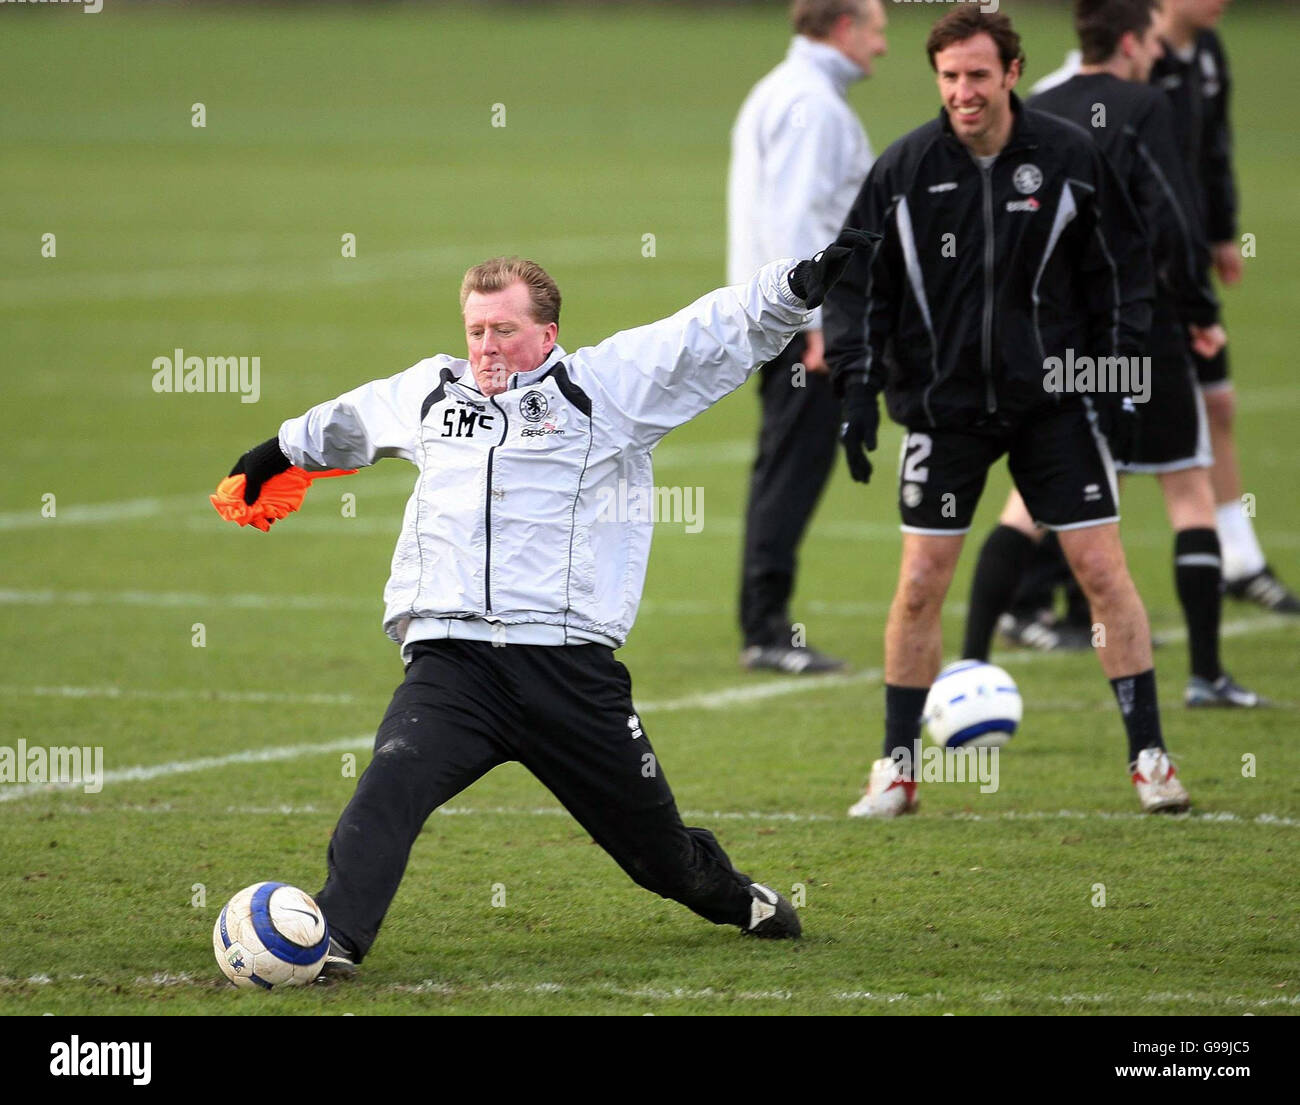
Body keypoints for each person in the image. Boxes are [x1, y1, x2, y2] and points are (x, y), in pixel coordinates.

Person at [223, 233, 876, 977]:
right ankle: (333, 937)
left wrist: (792, 288)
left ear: (547, 333)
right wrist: (272, 454)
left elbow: (704, 338)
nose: (487, 346)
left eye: (505, 329)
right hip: (454, 663)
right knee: (391, 781)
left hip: (567, 671)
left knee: (659, 857)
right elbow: (351, 418)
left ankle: (737, 899)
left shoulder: (604, 390)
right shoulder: (432, 393)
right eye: (476, 330)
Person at [824, 8, 1189, 818]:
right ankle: (896, 769)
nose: (963, 92)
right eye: (950, 77)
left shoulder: (1069, 156)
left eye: (978, 75)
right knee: (920, 583)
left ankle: (1151, 757)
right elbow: (855, 284)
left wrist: (1123, 378)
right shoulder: (906, 169)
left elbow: (1123, 272)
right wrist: (854, 388)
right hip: (944, 408)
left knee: (1101, 570)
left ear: (1013, 72)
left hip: (1053, 402)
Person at [961, 0, 1260, 708]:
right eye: (1152, 38)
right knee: (1189, 487)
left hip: (1060, 338)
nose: (1159, 51)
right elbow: (1177, 217)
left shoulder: (1040, 103)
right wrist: (1201, 313)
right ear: (1130, 39)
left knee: (1026, 501)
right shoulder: (1149, 105)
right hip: (1141, 327)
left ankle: (967, 668)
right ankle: (1207, 674)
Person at [728, 0, 888, 674]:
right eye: (877, 29)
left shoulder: (786, 89)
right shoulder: (812, 106)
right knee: (793, 468)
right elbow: (797, 222)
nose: (883, 45)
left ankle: (762, 622)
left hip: (784, 320)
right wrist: (817, 323)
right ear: (845, 28)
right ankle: (766, 629)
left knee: (784, 464)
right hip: (801, 326)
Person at [1152, 0, 1299, 610]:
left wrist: (1222, 233)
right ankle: (1038, 588)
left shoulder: (1207, 53)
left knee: (1219, 404)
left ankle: (1238, 559)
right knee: (1109, 426)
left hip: (1187, 262)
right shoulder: (1133, 57)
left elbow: (1214, 150)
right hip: (1141, 273)